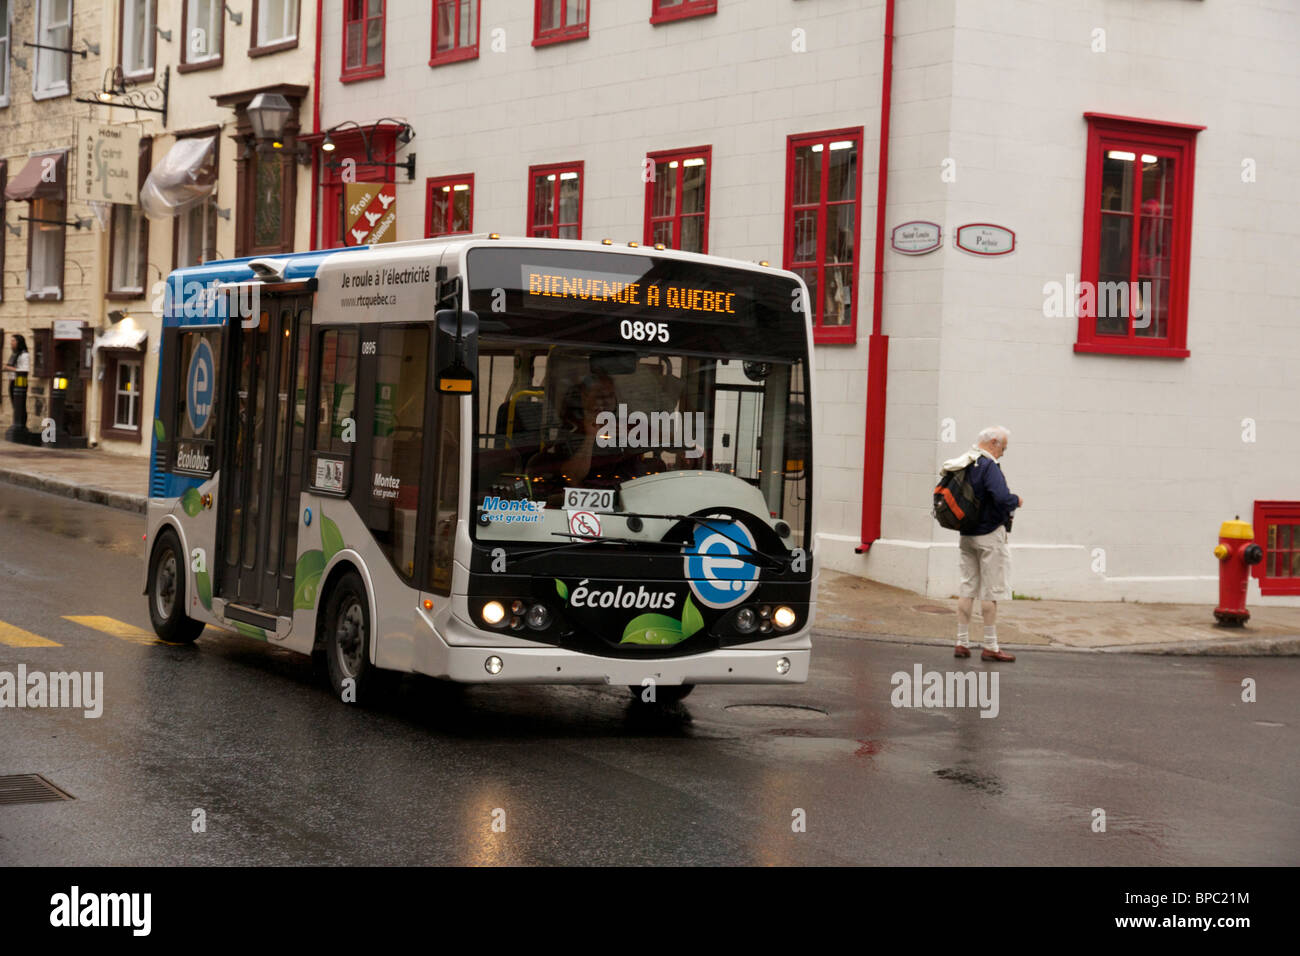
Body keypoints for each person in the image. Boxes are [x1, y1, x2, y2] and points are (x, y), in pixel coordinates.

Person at [942, 425, 1021, 662]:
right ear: (994, 443)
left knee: (967, 588)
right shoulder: (989, 466)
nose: (1003, 453)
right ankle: (991, 646)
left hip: (966, 535)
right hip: (989, 536)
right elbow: (1001, 497)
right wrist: (1016, 500)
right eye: (1003, 447)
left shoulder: (965, 462)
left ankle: (962, 642)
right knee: (990, 591)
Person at [526, 370, 659, 504]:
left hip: (632, 494)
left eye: (610, 395)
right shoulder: (571, 427)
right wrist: (590, 437)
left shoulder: (628, 423)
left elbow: (666, 439)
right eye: (600, 396)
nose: (606, 401)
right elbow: (573, 476)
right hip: (587, 499)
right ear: (584, 397)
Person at [3, 335, 30, 429]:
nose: (11, 343)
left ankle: (21, 425)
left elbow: (24, 369)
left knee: (20, 404)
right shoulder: (15, 354)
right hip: (12, 381)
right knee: (15, 404)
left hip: (19, 382)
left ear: (19, 342)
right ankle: (16, 423)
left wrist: (9, 368)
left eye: (13, 340)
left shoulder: (24, 354)